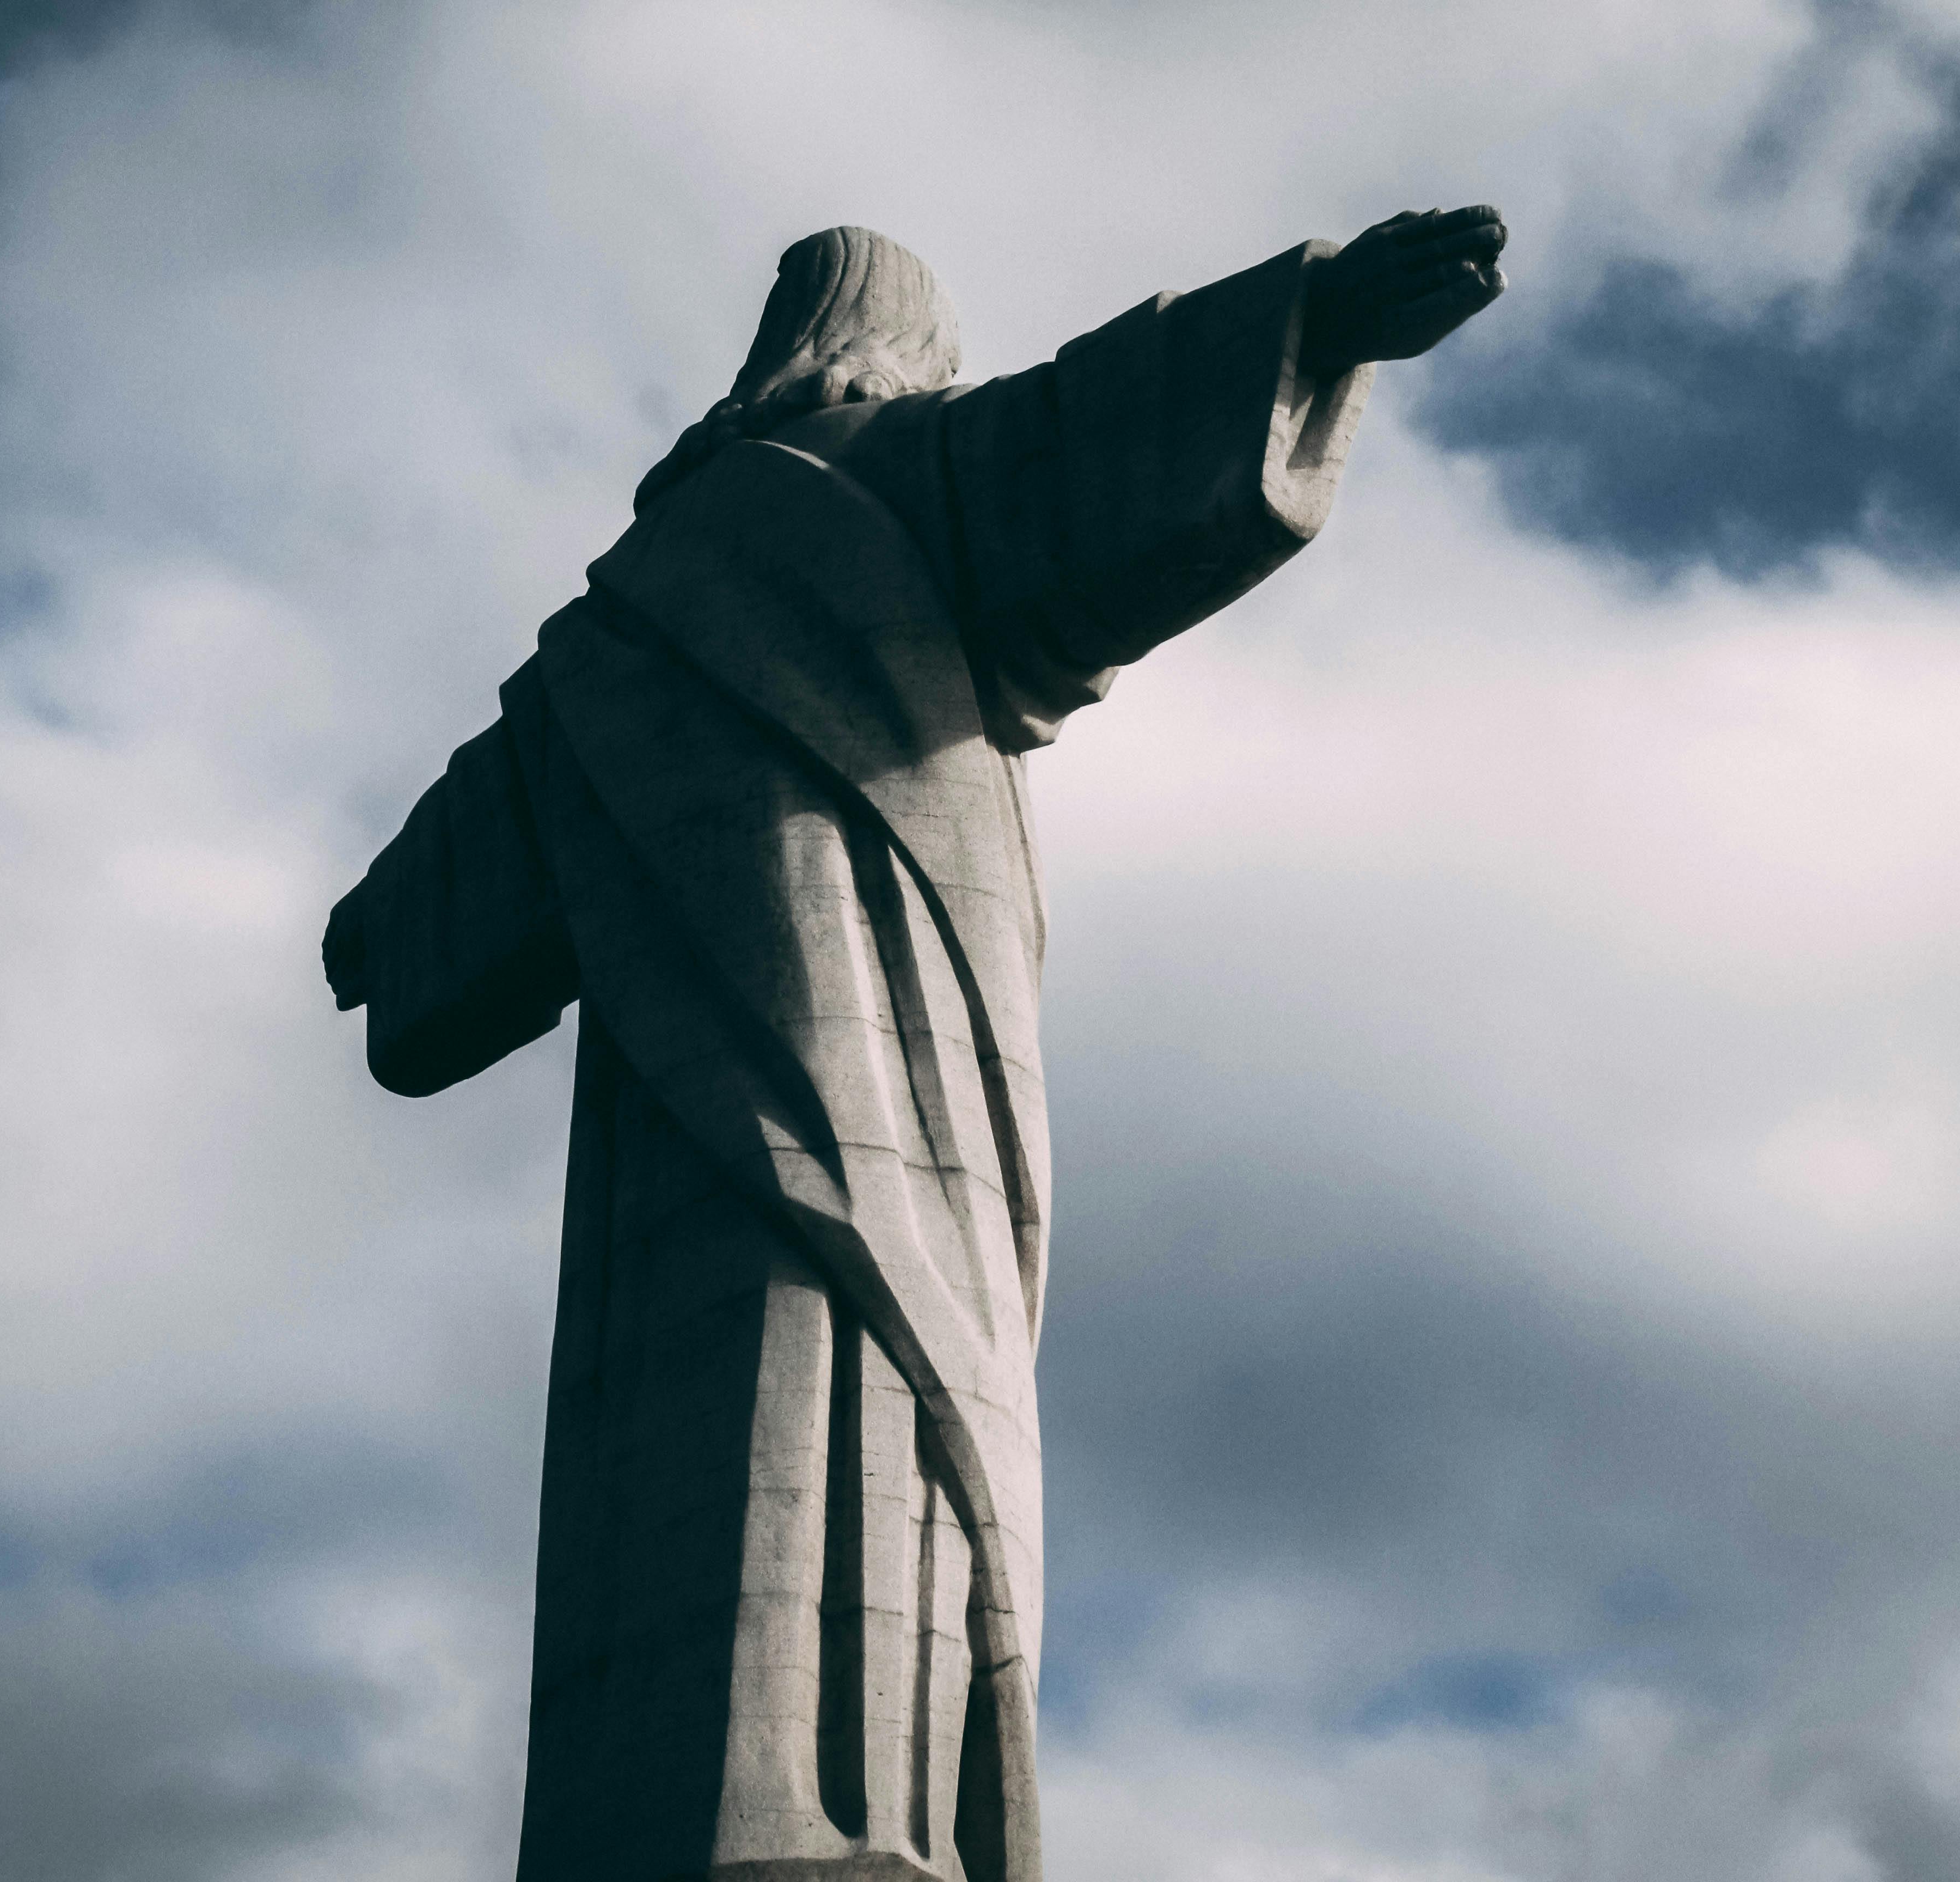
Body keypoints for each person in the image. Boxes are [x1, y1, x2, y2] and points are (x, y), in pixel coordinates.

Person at [325, 204, 1509, 1882]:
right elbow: (1092, 438)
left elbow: (428, 919)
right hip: (869, 1063)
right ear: (902, 352)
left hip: (730, 1099)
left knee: (805, 1378)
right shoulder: (879, 490)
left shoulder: (630, 620)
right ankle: (839, 1819)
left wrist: (381, 917)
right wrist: (1313, 320)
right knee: (861, 1362)